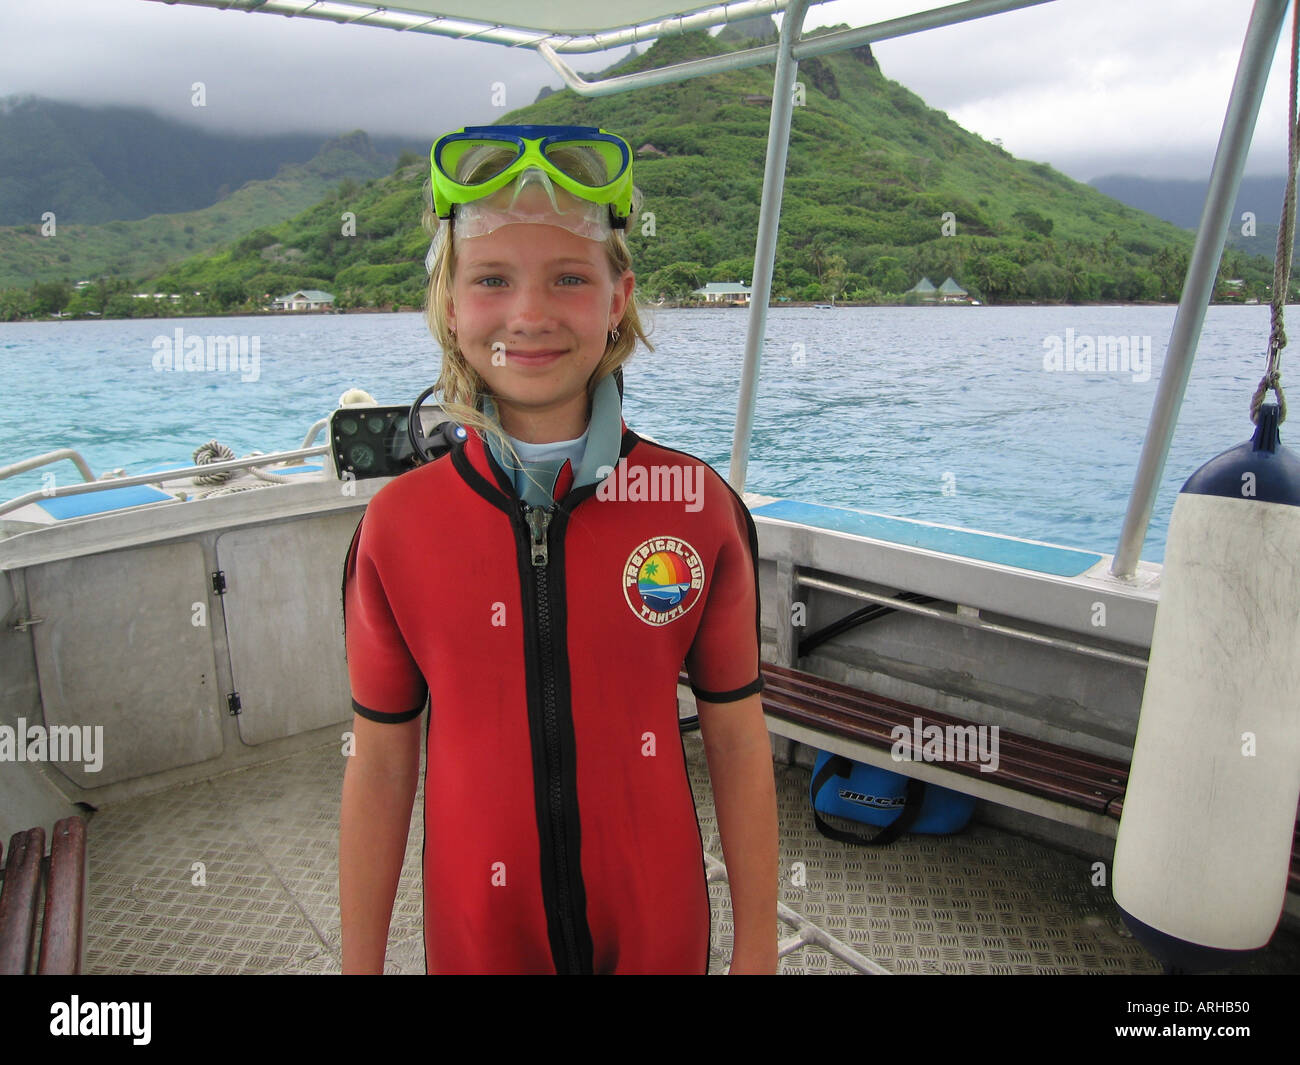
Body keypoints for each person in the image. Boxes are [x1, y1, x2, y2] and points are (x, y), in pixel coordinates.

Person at [338, 124, 777, 974]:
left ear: (618, 299)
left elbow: (736, 739)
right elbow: (383, 765)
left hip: (658, 931)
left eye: (570, 278)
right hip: (477, 939)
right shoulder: (398, 529)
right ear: (451, 303)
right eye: (492, 279)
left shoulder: (694, 507)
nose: (530, 316)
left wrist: (757, 951)